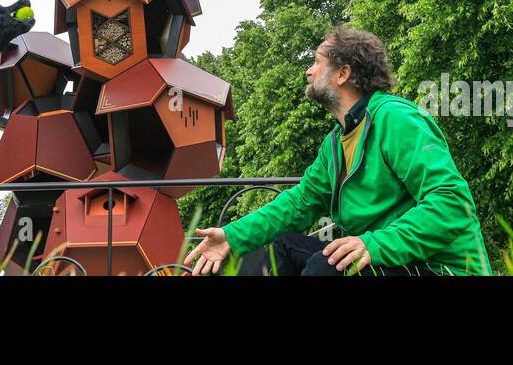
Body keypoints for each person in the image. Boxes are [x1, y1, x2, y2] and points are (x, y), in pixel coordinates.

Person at [185, 24, 492, 276]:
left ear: (343, 73)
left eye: (317, 62)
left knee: (327, 267)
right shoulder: (336, 142)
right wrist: (232, 236)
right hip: (387, 258)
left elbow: (452, 203)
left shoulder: (397, 119)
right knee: (284, 248)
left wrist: (373, 245)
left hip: (441, 267)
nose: (308, 71)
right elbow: (299, 203)